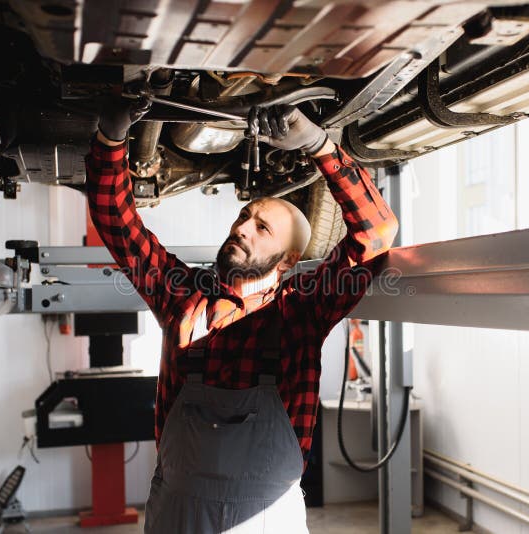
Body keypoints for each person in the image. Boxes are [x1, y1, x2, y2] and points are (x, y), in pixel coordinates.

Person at [86, 98, 398, 533]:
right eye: (243, 217)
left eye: (261, 228)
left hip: (265, 520)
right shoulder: (182, 296)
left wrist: (319, 145)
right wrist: (111, 138)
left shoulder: (301, 311)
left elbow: (376, 233)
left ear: (289, 259)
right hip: (179, 516)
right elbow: (117, 224)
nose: (241, 228)